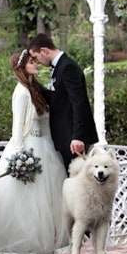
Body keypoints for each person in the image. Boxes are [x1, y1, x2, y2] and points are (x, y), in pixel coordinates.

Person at [0, 49, 69, 254]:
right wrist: (19, 156)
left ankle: (51, 240)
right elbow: (17, 126)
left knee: (48, 199)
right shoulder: (21, 92)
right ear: (21, 67)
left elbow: (45, 122)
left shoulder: (35, 89)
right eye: (31, 62)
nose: (36, 64)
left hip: (44, 147)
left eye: (35, 60)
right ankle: (25, 243)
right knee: (27, 200)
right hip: (27, 147)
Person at [28, 33, 99, 172]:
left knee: (77, 184)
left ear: (44, 51)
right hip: (65, 136)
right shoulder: (59, 67)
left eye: (36, 57)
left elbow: (78, 103)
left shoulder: (67, 67)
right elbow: (56, 97)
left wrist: (78, 137)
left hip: (73, 138)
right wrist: (31, 83)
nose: (37, 62)